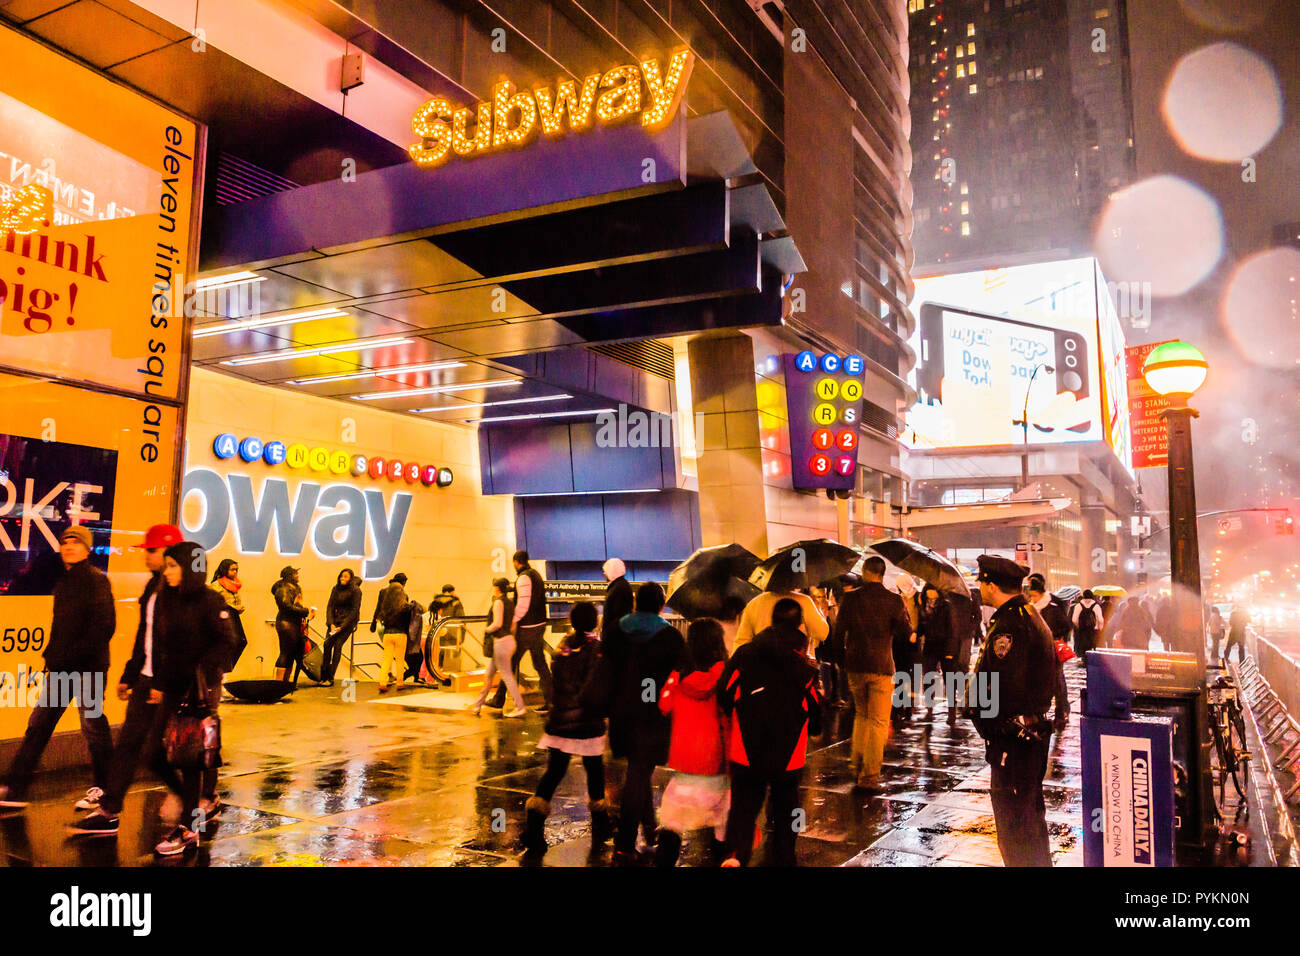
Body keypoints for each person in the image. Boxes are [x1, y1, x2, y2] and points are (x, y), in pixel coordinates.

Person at [66, 524, 181, 836]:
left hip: (166, 683)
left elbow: (177, 643)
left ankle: (193, 798)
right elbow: (145, 637)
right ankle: (109, 811)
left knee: (155, 752)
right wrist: (130, 675)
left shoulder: (179, 591)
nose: (147, 557)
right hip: (146, 678)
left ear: (170, 552)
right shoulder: (152, 587)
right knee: (128, 744)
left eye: (152, 551)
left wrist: (161, 681)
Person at [0, 526, 115, 814]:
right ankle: (15, 787)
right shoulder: (65, 581)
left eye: (76, 543)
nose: (69, 547)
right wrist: (52, 655)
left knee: (93, 727)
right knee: (40, 724)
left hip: (87, 670)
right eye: (65, 542)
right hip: (63, 669)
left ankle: (107, 787)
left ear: (87, 549)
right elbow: (61, 627)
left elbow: (104, 627)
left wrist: (70, 657)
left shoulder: (95, 581)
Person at [147, 541, 237, 855]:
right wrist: (158, 680)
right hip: (173, 687)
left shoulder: (210, 600)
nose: (167, 571)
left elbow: (228, 641)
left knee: (192, 760)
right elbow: (160, 644)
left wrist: (201, 668)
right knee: (153, 754)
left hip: (200, 689)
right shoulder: (166, 599)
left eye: (173, 566)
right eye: (166, 565)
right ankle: (194, 800)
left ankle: (189, 827)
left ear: (190, 567)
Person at [717, 598, 822, 867]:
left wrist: (733, 711)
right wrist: (817, 730)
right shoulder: (805, 668)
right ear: (800, 625)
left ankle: (734, 857)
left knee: (743, 807)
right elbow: (815, 705)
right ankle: (785, 857)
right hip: (789, 753)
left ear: (771, 622)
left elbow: (724, 693)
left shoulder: (744, 655)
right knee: (786, 808)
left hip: (746, 747)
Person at [970, 555, 1056, 867]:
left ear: (991, 584)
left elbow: (1005, 685)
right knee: (1028, 817)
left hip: (1014, 739)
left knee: (1015, 822)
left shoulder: (1011, 624)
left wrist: (983, 715)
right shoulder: (1025, 614)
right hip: (1024, 735)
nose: (979, 586)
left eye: (982, 581)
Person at [604, 581, 686, 865]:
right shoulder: (671, 637)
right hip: (652, 715)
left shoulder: (615, 630)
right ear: (661, 606)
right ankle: (625, 842)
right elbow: (681, 675)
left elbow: (607, 669)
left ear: (637, 602)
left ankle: (648, 828)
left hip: (621, 713)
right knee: (639, 774)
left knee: (638, 771)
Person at [523, 602, 611, 856]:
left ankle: (534, 825)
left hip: (561, 720)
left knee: (555, 771)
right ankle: (601, 826)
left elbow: (557, 682)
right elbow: (595, 687)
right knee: (594, 771)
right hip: (587, 722)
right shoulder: (596, 649)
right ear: (594, 622)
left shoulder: (562, 647)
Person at [655, 617, 731, 867]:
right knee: (722, 834)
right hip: (718, 770)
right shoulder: (727, 677)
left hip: (685, 770)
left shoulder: (679, 678)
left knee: (671, 827)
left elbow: (663, 705)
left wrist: (674, 677)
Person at [832, 557, 909, 790]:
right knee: (877, 721)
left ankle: (856, 764)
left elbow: (838, 633)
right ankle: (869, 775)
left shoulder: (851, 598)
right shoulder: (893, 600)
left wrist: (841, 661)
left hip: (855, 665)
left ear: (865, 572)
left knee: (862, 716)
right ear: (883, 574)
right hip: (881, 666)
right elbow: (906, 632)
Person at [486, 551, 553, 712]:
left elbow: (523, 604)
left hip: (527, 628)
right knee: (539, 664)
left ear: (516, 562)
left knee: (511, 663)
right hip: (538, 624)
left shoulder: (523, 577)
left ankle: (499, 699)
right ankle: (552, 701)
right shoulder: (536, 574)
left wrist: (513, 622)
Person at [471, 578, 527, 717]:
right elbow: (513, 625)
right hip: (509, 641)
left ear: (496, 588)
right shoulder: (510, 603)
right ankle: (478, 705)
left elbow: (497, 623)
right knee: (489, 675)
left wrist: (487, 630)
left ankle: (520, 707)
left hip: (501, 642)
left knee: (507, 676)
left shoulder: (498, 602)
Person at [1026, 574, 1071, 732]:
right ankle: (1041, 713)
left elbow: (1066, 625)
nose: (1033, 598)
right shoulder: (1031, 608)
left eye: (1034, 595)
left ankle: (1060, 715)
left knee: (1057, 682)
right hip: (1037, 651)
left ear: (1040, 592)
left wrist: (1053, 636)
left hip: (1053, 650)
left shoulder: (1052, 606)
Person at [734, 587, 829, 651]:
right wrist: (819, 609)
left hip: (762, 667)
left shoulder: (754, 603)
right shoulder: (803, 601)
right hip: (793, 665)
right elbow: (822, 633)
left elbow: (741, 642)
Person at [918, 586, 959, 723]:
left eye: (933, 591)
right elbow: (922, 625)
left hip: (945, 646)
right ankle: (929, 710)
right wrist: (916, 633)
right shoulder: (923, 605)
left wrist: (950, 651)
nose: (930, 594)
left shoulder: (946, 606)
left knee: (949, 680)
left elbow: (952, 629)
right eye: (928, 591)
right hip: (930, 646)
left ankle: (951, 713)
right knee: (928, 679)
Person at [371, 572, 411, 692]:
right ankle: (400, 683)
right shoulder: (404, 596)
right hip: (400, 633)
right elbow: (407, 614)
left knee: (386, 659)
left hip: (387, 632)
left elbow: (378, 608)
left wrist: (373, 623)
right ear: (403, 583)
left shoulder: (383, 593)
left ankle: (383, 683)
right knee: (399, 659)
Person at [272, 566, 313, 682]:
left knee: (291, 654)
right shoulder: (284, 589)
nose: (297, 575)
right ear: (289, 576)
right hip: (286, 623)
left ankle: (285, 682)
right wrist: (304, 611)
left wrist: (304, 614)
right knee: (286, 653)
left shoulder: (294, 588)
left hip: (294, 623)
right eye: (295, 573)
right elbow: (285, 606)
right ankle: (278, 683)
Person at [321, 569, 362, 686]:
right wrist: (331, 623)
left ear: (351, 578)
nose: (343, 579)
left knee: (338, 646)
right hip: (335, 621)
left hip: (347, 623)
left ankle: (330, 677)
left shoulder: (356, 591)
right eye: (341, 576)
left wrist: (342, 627)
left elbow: (355, 611)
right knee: (327, 644)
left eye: (346, 577)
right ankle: (323, 675)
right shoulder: (336, 589)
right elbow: (330, 606)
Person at [209, 559, 248, 673]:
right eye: (232, 569)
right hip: (222, 619)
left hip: (234, 616)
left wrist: (238, 608)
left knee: (241, 642)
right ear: (225, 570)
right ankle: (222, 669)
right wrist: (232, 608)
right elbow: (214, 604)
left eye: (236, 570)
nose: (235, 572)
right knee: (231, 643)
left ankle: (226, 668)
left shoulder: (235, 585)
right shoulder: (216, 585)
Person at [892, 574, 921, 723]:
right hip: (900, 641)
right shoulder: (898, 599)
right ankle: (899, 706)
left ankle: (909, 706)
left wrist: (916, 632)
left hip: (914, 640)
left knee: (913, 673)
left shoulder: (918, 598)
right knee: (901, 672)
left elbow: (921, 618)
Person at [600, 557, 634, 644]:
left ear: (612, 571)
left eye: (606, 571)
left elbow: (619, 616)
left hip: (615, 641)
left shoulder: (619, 588)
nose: (604, 573)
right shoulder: (620, 586)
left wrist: (606, 635)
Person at [1072, 589, 1102, 659]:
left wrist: (1078, 626)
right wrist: (1099, 628)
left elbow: (1074, 619)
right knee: (1092, 647)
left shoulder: (1078, 606)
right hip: (1093, 631)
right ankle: (1090, 661)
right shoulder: (1096, 606)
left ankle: (1084, 659)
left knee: (1083, 647)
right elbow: (1100, 619)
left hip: (1082, 631)